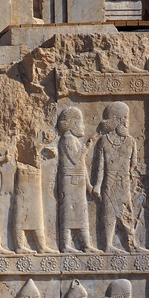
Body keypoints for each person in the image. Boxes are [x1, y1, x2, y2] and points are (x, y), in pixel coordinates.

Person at [92, 102, 142, 253]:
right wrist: (97, 185)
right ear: (117, 119)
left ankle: (132, 245)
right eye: (125, 118)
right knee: (109, 214)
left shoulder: (131, 141)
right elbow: (100, 166)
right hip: (109, 182)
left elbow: (134, 165)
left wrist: (133, 182)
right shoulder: (103, 141)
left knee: (127, 213)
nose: (127, 121)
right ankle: (108, 245)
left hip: (124, 183)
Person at [56, 107, 100, 253]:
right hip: (70, 180)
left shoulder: (74, 140)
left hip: (78, 180)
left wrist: (88, 186)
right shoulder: (67, 139)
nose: (83, 126)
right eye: (80, 123)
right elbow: (76, 159)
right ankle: (66, 245)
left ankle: (86, 245)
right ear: (72, 124)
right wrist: (88, 146)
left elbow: (82, 166)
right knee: (69, 212)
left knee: (82, 212)